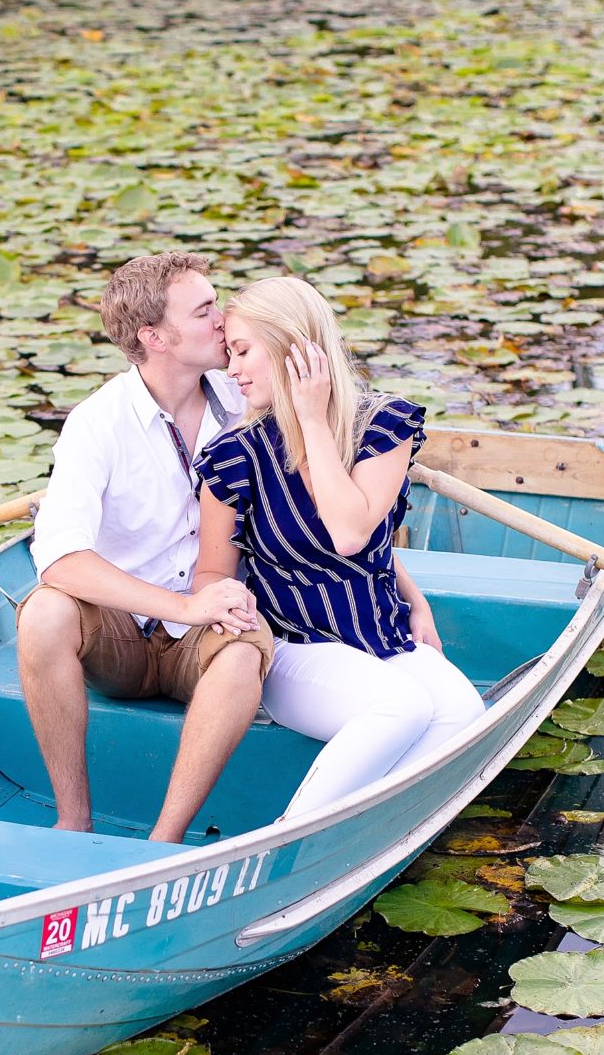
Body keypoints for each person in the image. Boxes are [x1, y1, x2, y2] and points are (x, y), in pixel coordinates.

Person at [194, 275, 484, 820]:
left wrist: (414, 601)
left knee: (464, 713)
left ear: (296, 348)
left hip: (380, 633)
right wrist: (224, 610)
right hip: (291, 647)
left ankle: (365, 832)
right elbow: (211, 572)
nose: (230, 369)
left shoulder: (381, 426)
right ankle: (290, 839)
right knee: (398, 707)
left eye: (242, 350)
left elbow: (354, 535)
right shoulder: (234, 455)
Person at [17, 252, 273, 843]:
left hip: (207, 627)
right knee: (45, 612)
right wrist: (181, 606)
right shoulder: (97, 423)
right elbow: (59, 558)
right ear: (153, 336)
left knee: (242, 651)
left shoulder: (245, 402)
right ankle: (73, 820)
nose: (224, 320)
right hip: (123, 636)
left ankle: (163, 842)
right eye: (206, 310)